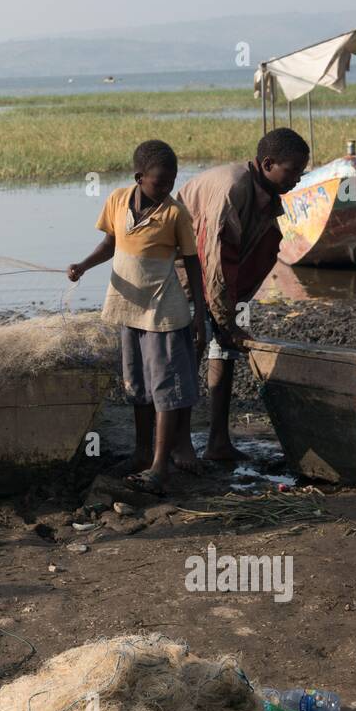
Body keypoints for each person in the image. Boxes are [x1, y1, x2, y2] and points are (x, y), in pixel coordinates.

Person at [67, 140, 206, 495]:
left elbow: (192, 261)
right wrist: (83, 265)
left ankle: (160, 465)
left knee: (166, 388)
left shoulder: (175, 214)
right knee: (137, 387)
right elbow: (112, 242)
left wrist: (199, 314)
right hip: (128, 307)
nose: (166, 189)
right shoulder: (116, 200)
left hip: (164, 313)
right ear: (139, 177)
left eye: (172, 182)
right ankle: (142, 453)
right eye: (160, 182)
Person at [174, 127, 310, 461]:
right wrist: (224, 320)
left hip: (218, 277)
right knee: (190, 353)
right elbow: (214, 258)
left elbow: (245, 255)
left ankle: (218, 442)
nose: (298, 179)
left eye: (301, 172)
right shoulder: (233, 189)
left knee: (225, 351)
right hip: (184, 274)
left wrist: (229, 318)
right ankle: (178, 447)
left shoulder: (263, 191)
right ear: (267, 163)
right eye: (293, 171)